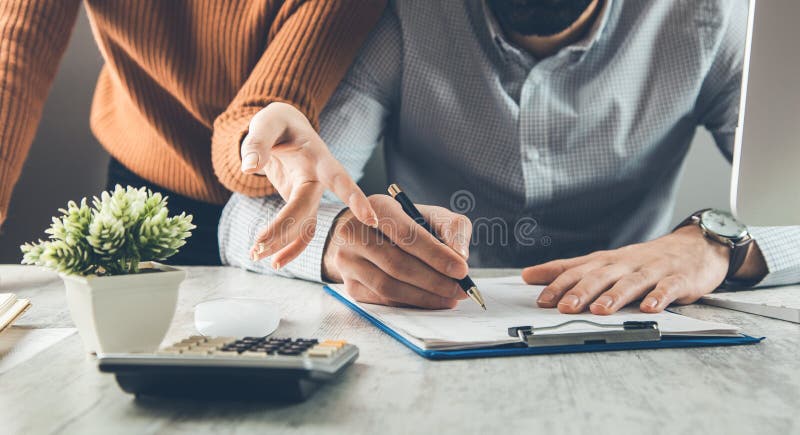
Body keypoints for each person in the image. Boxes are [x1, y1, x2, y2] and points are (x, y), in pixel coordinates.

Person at [220, 0, 800, 313]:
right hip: (436, 342)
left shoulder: (711, 18)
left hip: (642, 329)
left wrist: (719, 245)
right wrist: (342, 240)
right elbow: (245, 217)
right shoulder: (399, 16)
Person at [0, 0, 383, 265]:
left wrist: (260, 146)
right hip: (138, 187)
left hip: (265, 210)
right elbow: (15, 48)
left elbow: (266, 103)